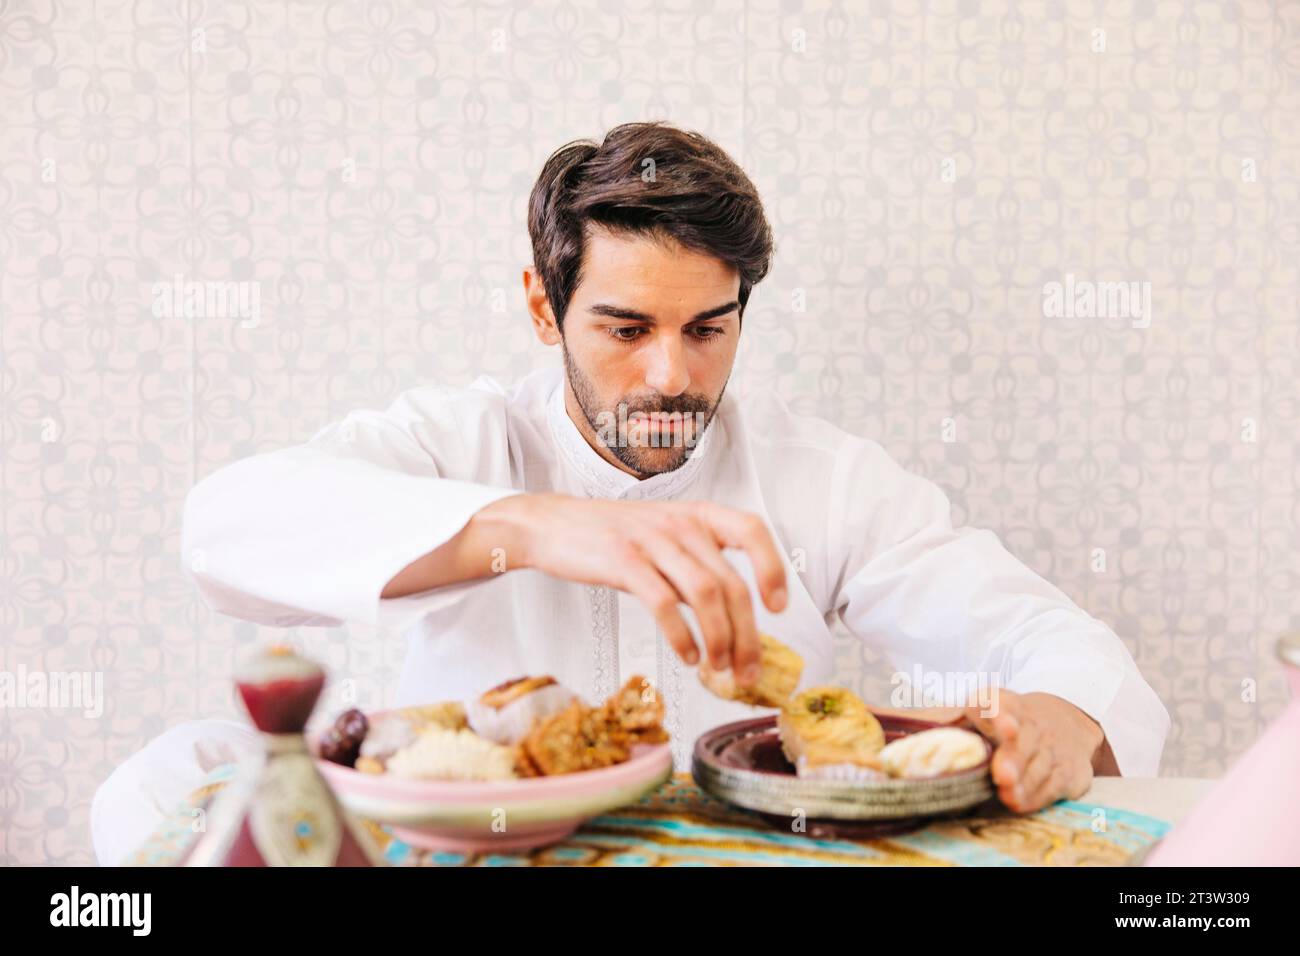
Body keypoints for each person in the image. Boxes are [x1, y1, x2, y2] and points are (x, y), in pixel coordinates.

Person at [92, 121, 1169, 866]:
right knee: (169, 770)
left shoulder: (820, 475)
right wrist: (537, 527)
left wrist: (1058, 719)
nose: (670, 374)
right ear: (542, 304)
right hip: (490, 842)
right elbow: (224, 528)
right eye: (624, 328)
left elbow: (1057, 644)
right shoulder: (460, 436)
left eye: (707, 328)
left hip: (742, 850)